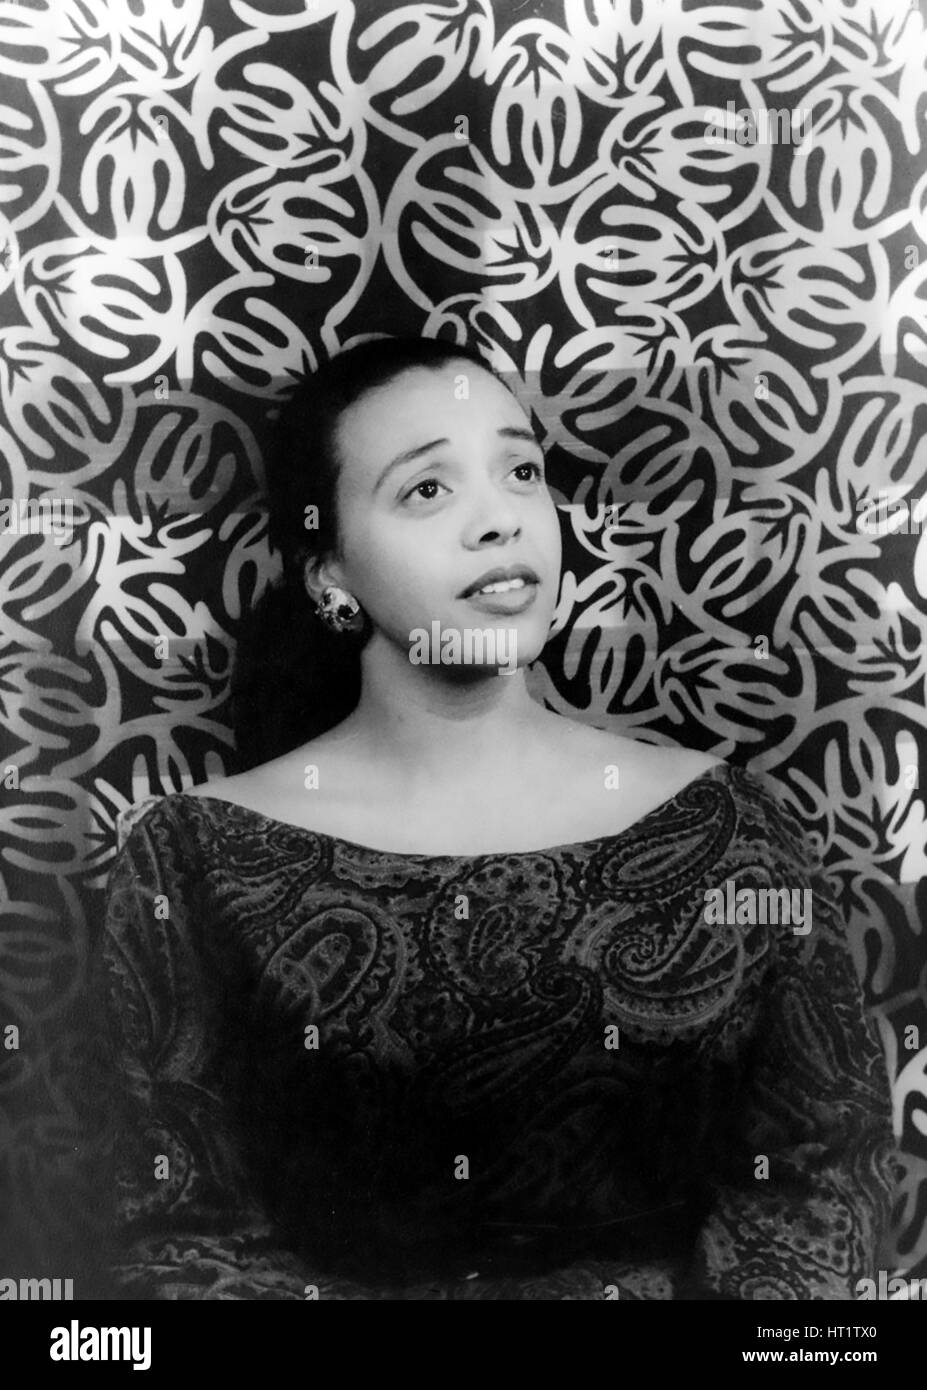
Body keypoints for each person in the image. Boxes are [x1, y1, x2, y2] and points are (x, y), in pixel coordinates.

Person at [98, 335, 897, 1300]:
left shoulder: (730, 828)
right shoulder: (191, 860)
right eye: (426, 490)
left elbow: (820, 1177)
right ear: (329, 575)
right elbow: (179, 1236)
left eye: (520, 470)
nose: (499, 520)